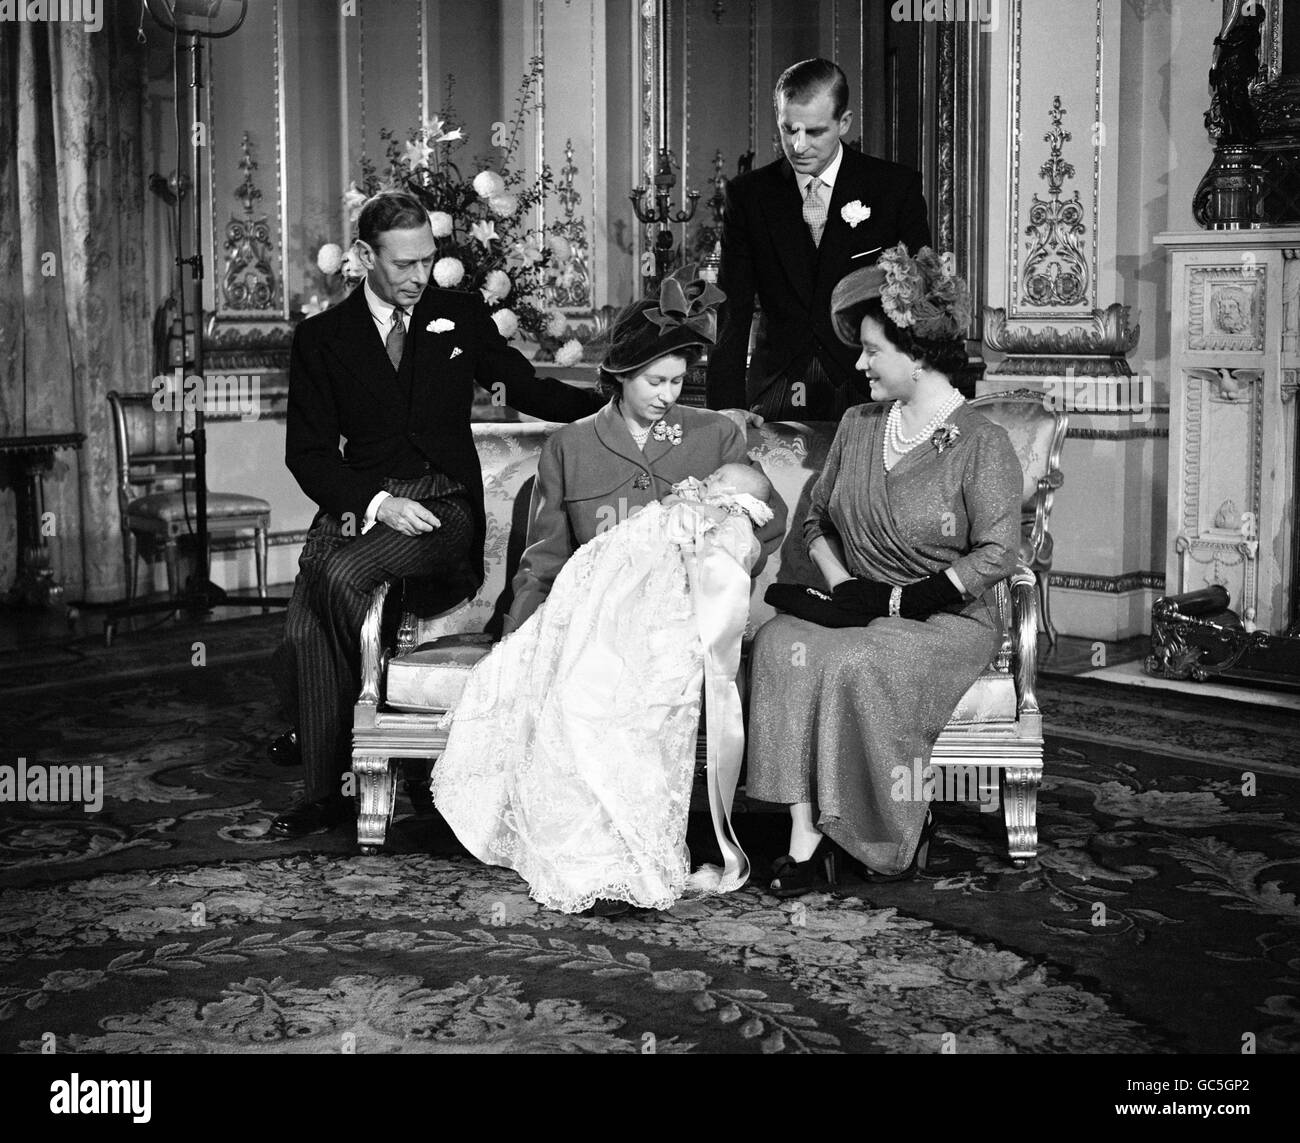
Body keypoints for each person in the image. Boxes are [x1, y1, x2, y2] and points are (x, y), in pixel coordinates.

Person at [268, 190, 605, 838]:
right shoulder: (321, 338)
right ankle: (326, 795)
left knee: (334, 576)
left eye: (428, 259)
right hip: (365, 506)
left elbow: (526, 387)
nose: (420, 276)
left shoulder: (459, 315)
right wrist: (376, 504)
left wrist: (613, 401)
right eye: (404, 264)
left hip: (443, 505)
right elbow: (307, 454)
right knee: (306, 627)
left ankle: (330, 733)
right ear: (364, 256)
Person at [745, 244, 1022, 895]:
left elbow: (999, 552)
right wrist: (843, 584)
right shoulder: (860, 424)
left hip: (946, 621)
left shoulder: (982, 442)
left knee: (857, 659)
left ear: (916, 354)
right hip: (859, 606)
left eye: (872, 350)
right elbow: (815, 521)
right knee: (781, 642)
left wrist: (915, 598)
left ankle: (887, 830)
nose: (859, 363)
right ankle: (805, 836)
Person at [431, 459, 777, 915]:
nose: (707, 479)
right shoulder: (572, 447)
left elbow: (735, 559)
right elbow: (553, 556)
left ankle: (629, 862)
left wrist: (705, 522)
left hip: (667, 634)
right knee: (577, 705)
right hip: (605, 617)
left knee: (631, 725)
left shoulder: (723, 495)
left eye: (720, 481)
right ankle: (585, 858)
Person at [502, 266, 785, 635]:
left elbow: (768, 518)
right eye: (655, 381)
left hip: (688, 627)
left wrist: (721, 557)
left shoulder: (716, 433)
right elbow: (543, 565)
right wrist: (517, 636)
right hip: (597, 627)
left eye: (677, 381)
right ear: (620, 372)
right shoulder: (568, 447)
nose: (667, 395)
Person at [706, 57, 932, 421]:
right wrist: (726, 409)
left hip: (868, 382)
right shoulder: (749, 195)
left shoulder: (894, 188)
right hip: (777, 383)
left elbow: (919, 301)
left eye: (814, 132)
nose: (798, 146)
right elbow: (733, 308)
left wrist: (921, 395)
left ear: (844, 122)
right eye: (788, 129)